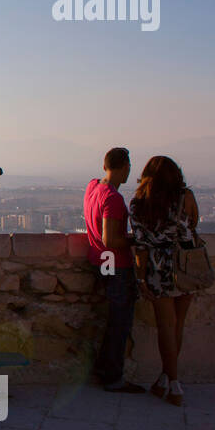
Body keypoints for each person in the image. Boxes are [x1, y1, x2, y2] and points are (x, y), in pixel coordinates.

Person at [129, 156, 199, 407]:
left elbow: (141, 246)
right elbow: (193, 224)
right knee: (178, 325)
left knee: (166, 327)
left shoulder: (138, 204)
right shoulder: (186, 197)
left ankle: (172, 382)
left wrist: (140, 278)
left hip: (158, 269)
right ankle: (168, 380)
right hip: (186, 266)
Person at [83, 147, 144, 392]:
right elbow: (110, 240)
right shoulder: (113, 199)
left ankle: (103, 369)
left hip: (98, 260)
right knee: (120, 322)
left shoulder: (92, 186)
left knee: (112, 320)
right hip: (116, 264)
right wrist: (136, 240)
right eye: (129, 165)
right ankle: (112, 377)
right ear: (124, 166)